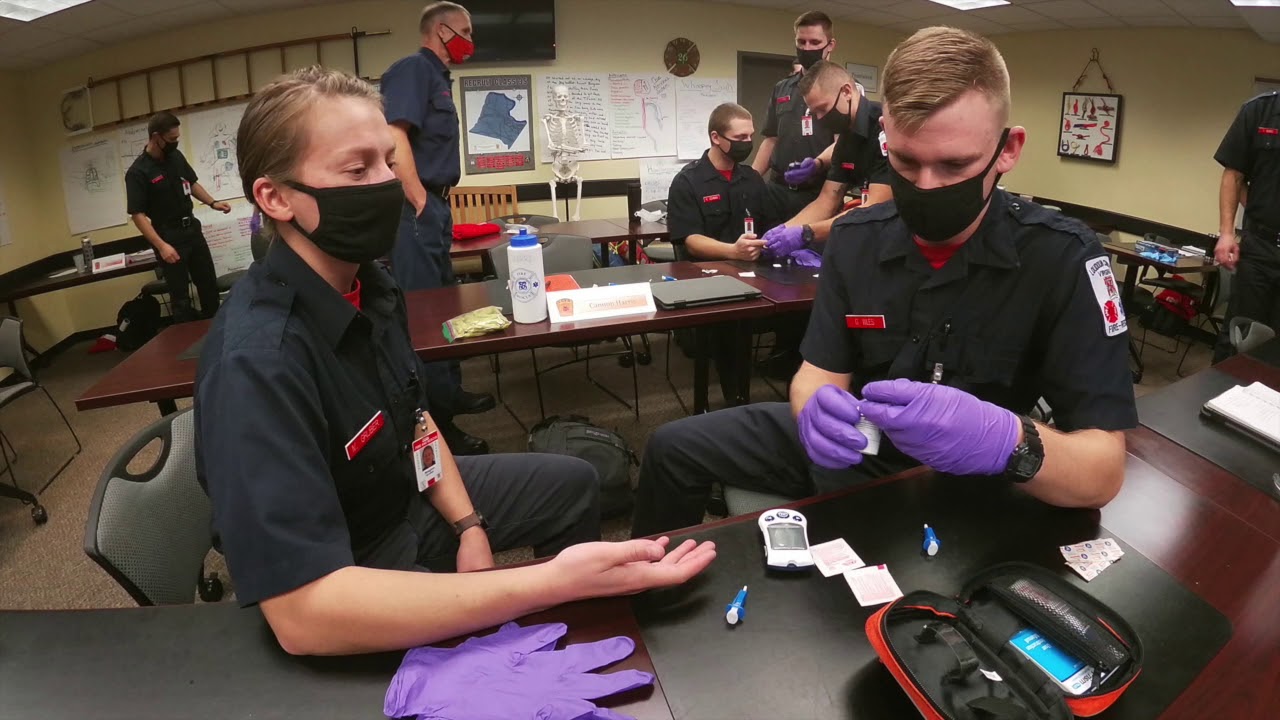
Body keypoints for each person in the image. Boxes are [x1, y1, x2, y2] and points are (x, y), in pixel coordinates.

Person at [194, 66, 716, 656]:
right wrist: (540, 583)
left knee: (574, 484)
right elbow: (303, 615)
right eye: (357, 168)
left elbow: (416, 419)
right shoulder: (257, 363)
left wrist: (469, 526)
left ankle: (566, 641)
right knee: (493, 626)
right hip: (353, 566)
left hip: (408, 499)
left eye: (388, 162)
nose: (388, 183)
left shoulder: (372, 286)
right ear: (275, 198)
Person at [632, 27, 1137, 538]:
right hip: (861, 446)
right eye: (905, 161)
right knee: (674, 448)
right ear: (884, 143)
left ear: (1008, 150)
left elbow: (1102, 474)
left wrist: (1007, 440)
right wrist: (813, 408)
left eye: (955, 164)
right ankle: (641, 593)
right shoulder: (856, 240)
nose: (927, 187)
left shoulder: (1063, 257)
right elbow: (818, 371)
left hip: (980, 474)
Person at [382, 1, 493, 455]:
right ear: (442, 30)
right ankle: (438, 431)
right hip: (417, 207)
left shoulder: (439, 79)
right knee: (423, 316)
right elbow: (394, 134)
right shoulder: (413, 68)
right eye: (464, 31)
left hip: (436, 206)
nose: (470, 39)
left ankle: (448, 395)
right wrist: (418, 199)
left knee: (444, 304)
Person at [667, 102, 785, 404]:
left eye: (750, 137)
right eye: (740, 138)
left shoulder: (752, 179)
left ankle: (775, 392)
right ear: (716, 137)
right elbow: (689, 239)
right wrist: (733, 250)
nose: (747, 143)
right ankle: (728, 401)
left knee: (798, 317)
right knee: (726, 336)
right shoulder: (688, 181)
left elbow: (770, 224)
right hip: (708, 276)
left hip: (754, 273)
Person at [760, 61, 893, 262]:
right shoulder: (847, 135)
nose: (821, 119)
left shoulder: (884, 126)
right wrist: (783, 231)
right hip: (868, 236)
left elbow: (874, 206)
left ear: (847, 92)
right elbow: (827, 199)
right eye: (815, 113)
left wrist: (806, 233)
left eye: (823, 109)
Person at [125, 111, 231, 322]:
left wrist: (213, 202)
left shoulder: (176, 157)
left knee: (208, 286)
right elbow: (137, 215)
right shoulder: (138, 172)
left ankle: (217, 334)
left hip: (192, 229)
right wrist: (161, 246)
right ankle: (188, 348)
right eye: (172, 139)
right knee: (180, 297)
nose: (176, 142)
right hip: (168, 237)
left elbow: (191, 183)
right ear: (156, 137)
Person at [1212, 89, 1280, 361]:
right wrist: (1226, 233)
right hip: (1260, 247)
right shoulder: (1259, 111)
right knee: (1240, 334)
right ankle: (1217, 400)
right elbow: (1234, 175)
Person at [751, 11, 840, 220]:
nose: (807, 48)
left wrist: (815, 164)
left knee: (810, 251)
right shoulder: (782, 88)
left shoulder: (843, 90)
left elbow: (842, 143)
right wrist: (750, 180)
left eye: (815, 42)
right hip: (777, 191)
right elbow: (771, 139)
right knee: (770, 248)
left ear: (830, 45)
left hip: (817, 194)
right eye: (801, 42)